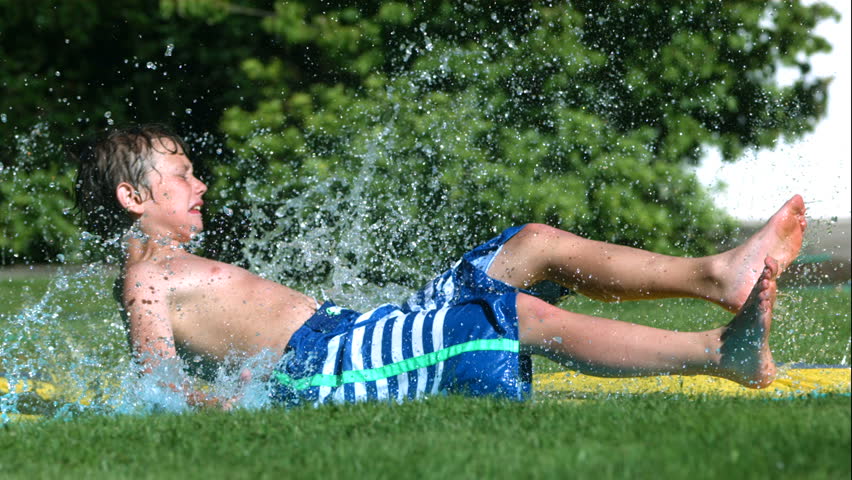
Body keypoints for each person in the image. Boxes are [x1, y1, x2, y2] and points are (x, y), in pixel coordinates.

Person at [73, 124, 807, 409]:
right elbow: (157, 381)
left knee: (531, 244)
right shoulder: (146, 279)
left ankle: (718, 276)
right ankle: (719, 353)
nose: (200, 185)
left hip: (355, 332)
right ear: (133, 197)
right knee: (506, 318)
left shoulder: (174, 266)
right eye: (181, 175)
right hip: (327, 365)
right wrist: (238, 403)